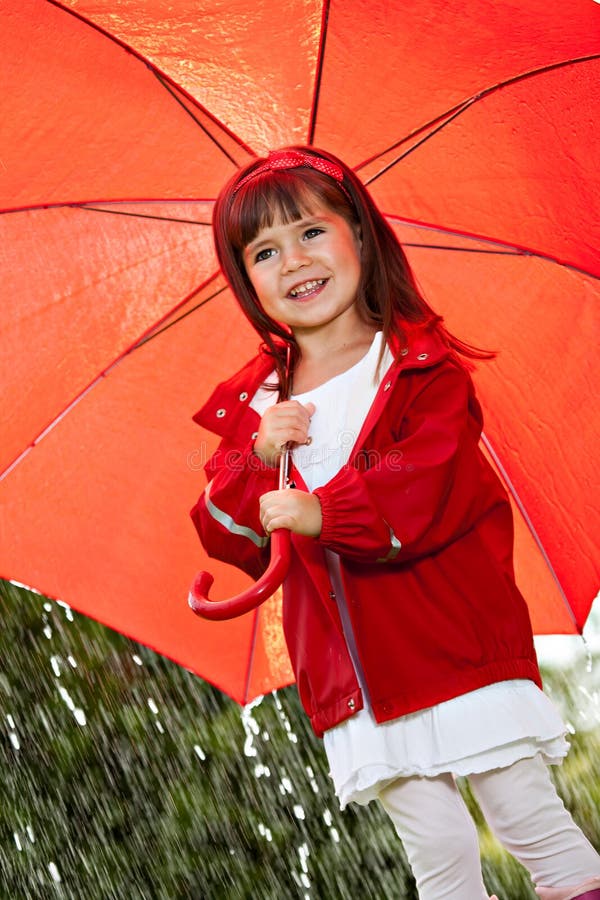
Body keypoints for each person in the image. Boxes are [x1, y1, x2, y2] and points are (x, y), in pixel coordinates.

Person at [190, 146, 600, 900]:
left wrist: (324, 510)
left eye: (312, 233)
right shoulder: (259, 400)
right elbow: (231, 536)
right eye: (265, 251)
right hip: (355, 676)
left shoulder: (419, 369)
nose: (294, 263)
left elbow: (433, 482)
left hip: (456, 642)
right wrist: (256, 455)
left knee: (526, 818)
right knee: (439, 850)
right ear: (245, 278)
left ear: (360, 234)